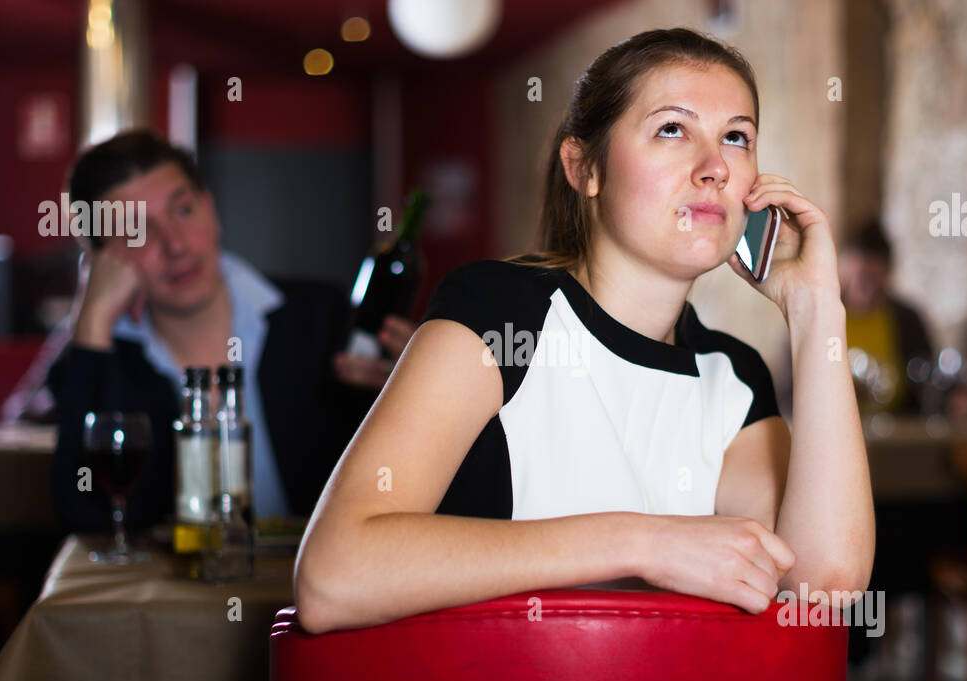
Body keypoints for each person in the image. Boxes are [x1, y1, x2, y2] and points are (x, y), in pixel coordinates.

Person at [295, 28, 875, 635]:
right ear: (585, 168)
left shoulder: (732, 377)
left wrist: (816, 308)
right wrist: (641, 542)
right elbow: (333, 576)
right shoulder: (499, 314)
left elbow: (822, 586)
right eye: (673, 129)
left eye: (737, 137)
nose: (714, 169)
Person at [46, 130, 413, 533]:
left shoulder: (321, 319)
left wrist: (415, 386)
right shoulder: (98, 362)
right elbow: (84, 518)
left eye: (183, 211)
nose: (176, 245)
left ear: (210, 208)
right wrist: (92, 319)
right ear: (103, 262)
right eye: (138, 231)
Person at [835, 220, 935, 416]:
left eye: (873, 277)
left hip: (897, 436)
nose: (865, 288)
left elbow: (928, 384)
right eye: (860, 277)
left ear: (887, 272)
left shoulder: (907, 320)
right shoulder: (821, 318)